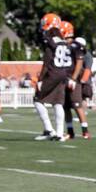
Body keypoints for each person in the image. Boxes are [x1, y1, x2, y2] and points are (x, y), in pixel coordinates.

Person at [33, 12, 72, 140]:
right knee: (58, 102)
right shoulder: (63, 41)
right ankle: (60, 133)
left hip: (53, 73)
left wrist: (40, 79)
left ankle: (49, 130)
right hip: (63, 73)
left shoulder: (50, 40)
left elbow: (47, 62)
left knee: (38, 99)